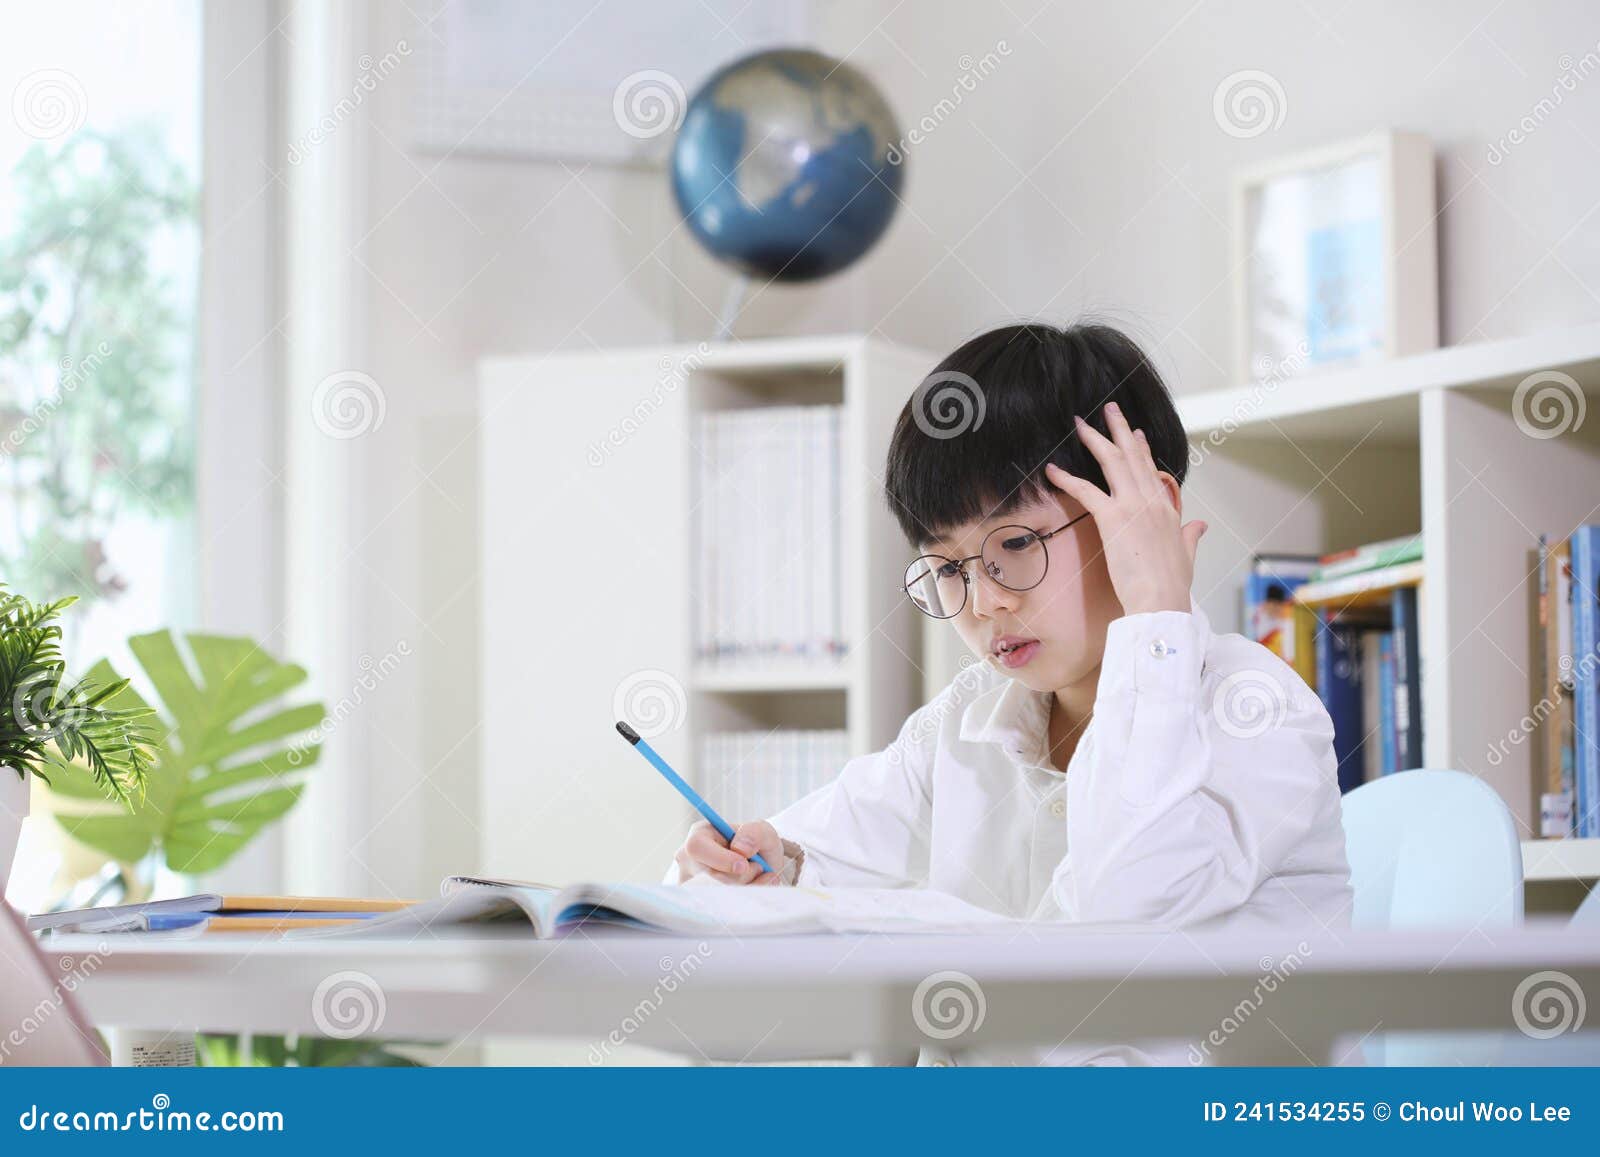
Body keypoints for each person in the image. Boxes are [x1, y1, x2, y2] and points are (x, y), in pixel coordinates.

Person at [667, 321, 1353, 1064]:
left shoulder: (1256, 712)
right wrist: (758, 867)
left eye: (1015, 545)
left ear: (1142, 510)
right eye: (950, 567)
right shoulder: (965, 722)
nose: (983, 602)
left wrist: (1155, 604)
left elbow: (1130, 919)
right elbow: (806, 862)